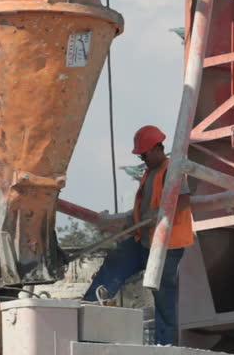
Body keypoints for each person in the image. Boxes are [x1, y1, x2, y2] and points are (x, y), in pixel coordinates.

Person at [82, 125, 194, 346]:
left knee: (163, 296)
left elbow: (184, 200)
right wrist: (120, 222)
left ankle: (164, 344)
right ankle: (88, 311)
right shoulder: (150, 173)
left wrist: (162, 212)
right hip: (143, 240)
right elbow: (141, 210)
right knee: (116, 261)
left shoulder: (172, 169)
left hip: (167, 246)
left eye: (144, 153)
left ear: (156, 148)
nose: (142, 157)